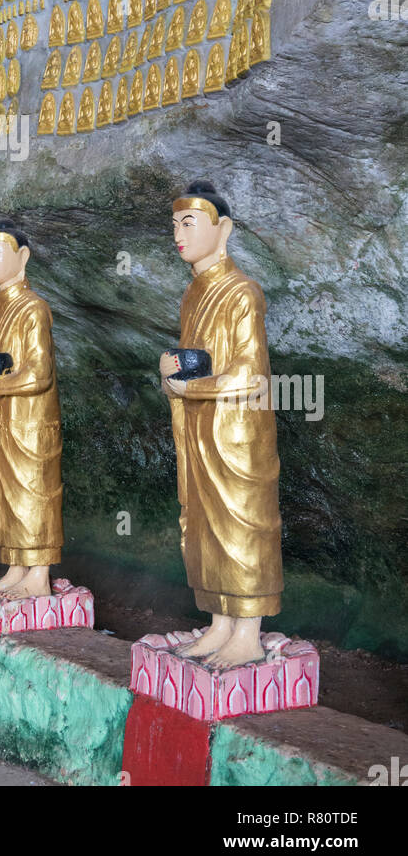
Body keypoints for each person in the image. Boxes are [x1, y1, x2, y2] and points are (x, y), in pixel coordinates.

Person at [160, 181, 283, 667]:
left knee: (242, 526)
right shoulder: (194, 293)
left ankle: (248, 632)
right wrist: (173, 374)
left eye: (188, 223)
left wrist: (192, 388)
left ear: (223, 228)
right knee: (204, 524)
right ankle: (220, 623)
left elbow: (250, 375)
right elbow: (197, 363)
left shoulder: (242, 293)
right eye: (174, 225)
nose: (178, 234)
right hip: (199, 430)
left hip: (237, 436)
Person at [0, 222, 63, 600]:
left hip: (32, 422)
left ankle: (39, 575)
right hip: (5, 420)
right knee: (7, 492)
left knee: (35, 492)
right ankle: (16, 565)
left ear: (22, 256)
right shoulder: (3, 306)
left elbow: (39, 372)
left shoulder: (34, 308)